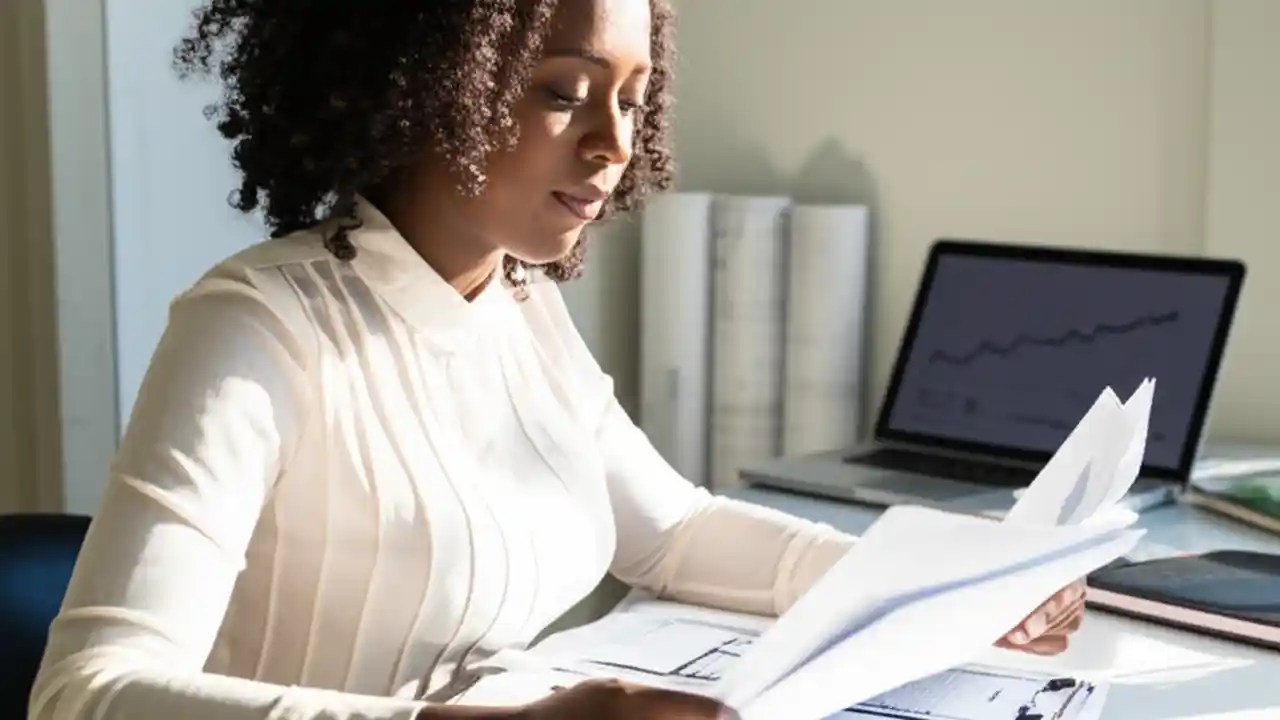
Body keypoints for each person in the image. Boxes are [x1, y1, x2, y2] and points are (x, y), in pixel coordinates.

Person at [28, 1, 1086, 718]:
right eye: (563, 91)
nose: (614, 145)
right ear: (429, 81)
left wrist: (936, 584)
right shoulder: (256, 327)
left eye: (631, 99)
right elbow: (87, 692)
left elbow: (672, 533)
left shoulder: (518, 302)